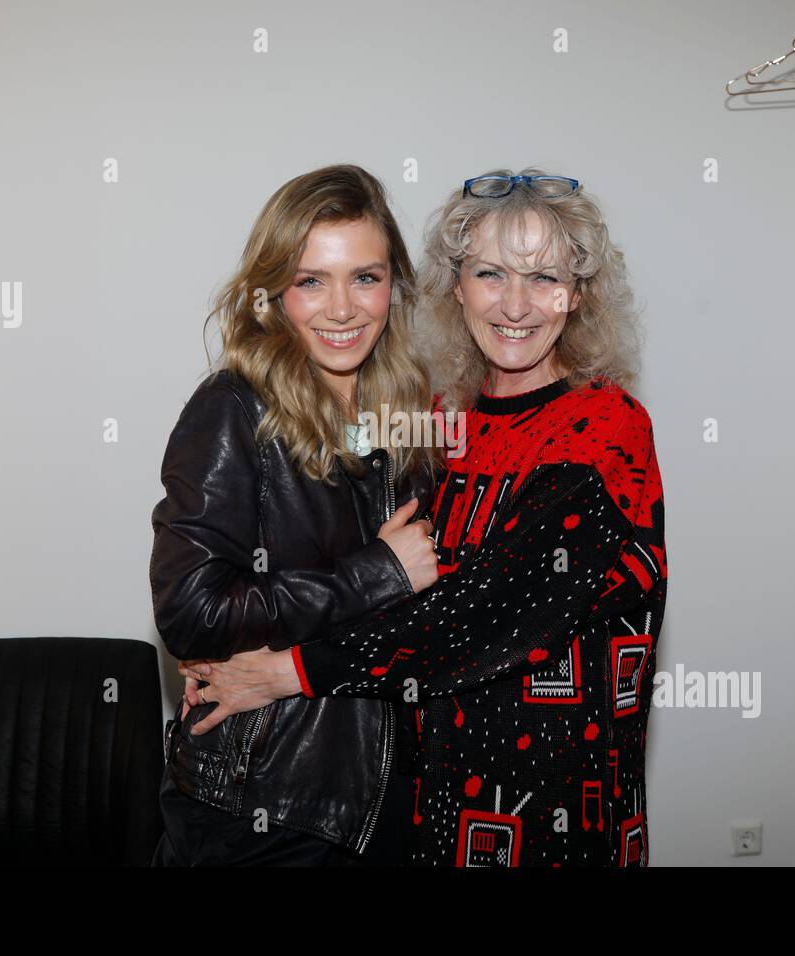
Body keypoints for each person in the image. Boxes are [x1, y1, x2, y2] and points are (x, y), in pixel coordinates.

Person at [184, 169, 668, 867]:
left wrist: (287, 671)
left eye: (545, 279)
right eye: (491, 274)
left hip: (552, 818)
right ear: (456, 285)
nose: (516, 304)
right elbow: (323, 445)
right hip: (422, 807)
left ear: (580, 294)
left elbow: (490, 608)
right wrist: (248, 403)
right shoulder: (442, 421)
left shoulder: (603, 429)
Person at [148, 164, 443, 866]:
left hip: (380, 794)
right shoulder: (233, 407)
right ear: (274, 291)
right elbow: (189, 610)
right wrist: (374, 574)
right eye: (312, 280)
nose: (342, 309)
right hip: (267, 803)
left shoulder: (401, 409)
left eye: (365, 278)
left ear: (394, 288)